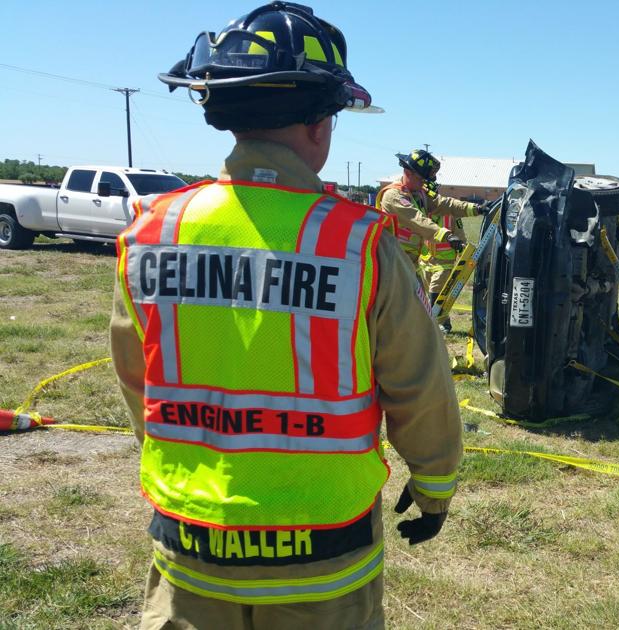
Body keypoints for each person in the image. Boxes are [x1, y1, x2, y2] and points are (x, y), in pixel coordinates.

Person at [110, 4, 462, 628]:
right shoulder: (359, 244)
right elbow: (419, 382)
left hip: (193, 547)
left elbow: (140, 380)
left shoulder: (152, 231)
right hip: (323, 557)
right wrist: (433, 484)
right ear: (322, 124)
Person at [375, 149, 483, 332]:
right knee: (396, 310)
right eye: (421, 179)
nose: (424, 183)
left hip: (406, 263)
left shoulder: (418, 193)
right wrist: (447, 236)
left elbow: (444, 204)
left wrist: (477, 209)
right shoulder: (393, 196)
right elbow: (418, 220)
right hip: (388, 264)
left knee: (416, 306)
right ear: (408, 173)